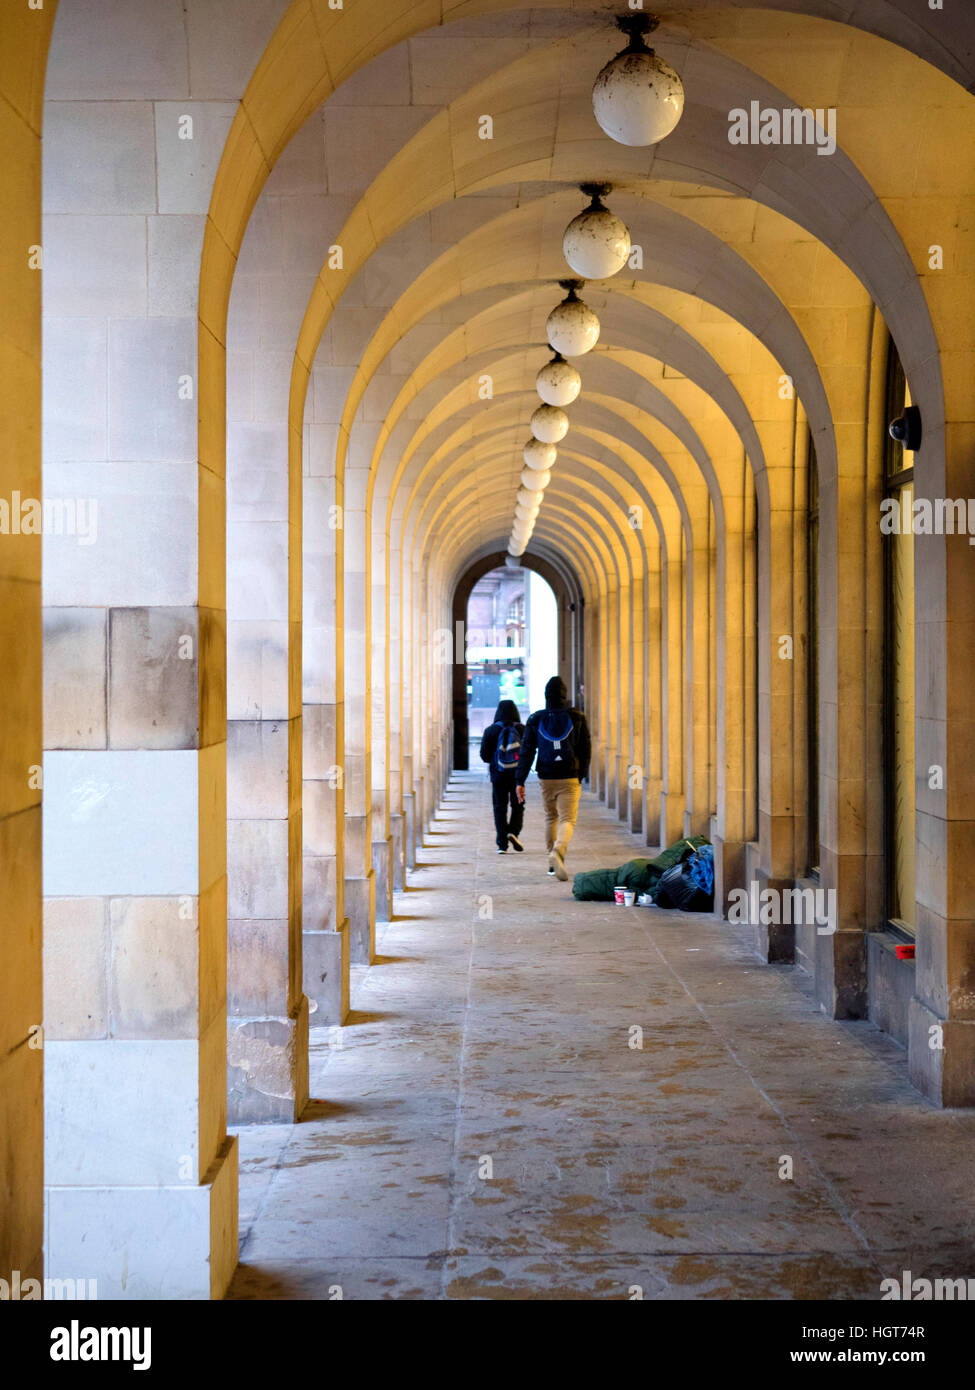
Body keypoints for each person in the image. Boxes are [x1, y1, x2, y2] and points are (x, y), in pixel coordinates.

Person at [516, 675, 591, 880]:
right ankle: (559, 850)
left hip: (546, 775)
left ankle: (551, 862)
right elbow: (585, 749)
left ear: (546, 695)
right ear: (565, 695)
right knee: (568, 818)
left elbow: (527, 750)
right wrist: (581, 775)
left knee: (551, 817)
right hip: (569, 775)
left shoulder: (536, 718)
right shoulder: (577, 717)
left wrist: (519, 780)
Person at [479, 698, 526, 854]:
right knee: (518, 805)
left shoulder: (491, 731)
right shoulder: (522, 730)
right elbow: (527, 754)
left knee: (500, 807)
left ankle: (502, 844)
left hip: (498, 776)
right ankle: (513, 832)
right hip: (517, 776)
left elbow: (484, 756)